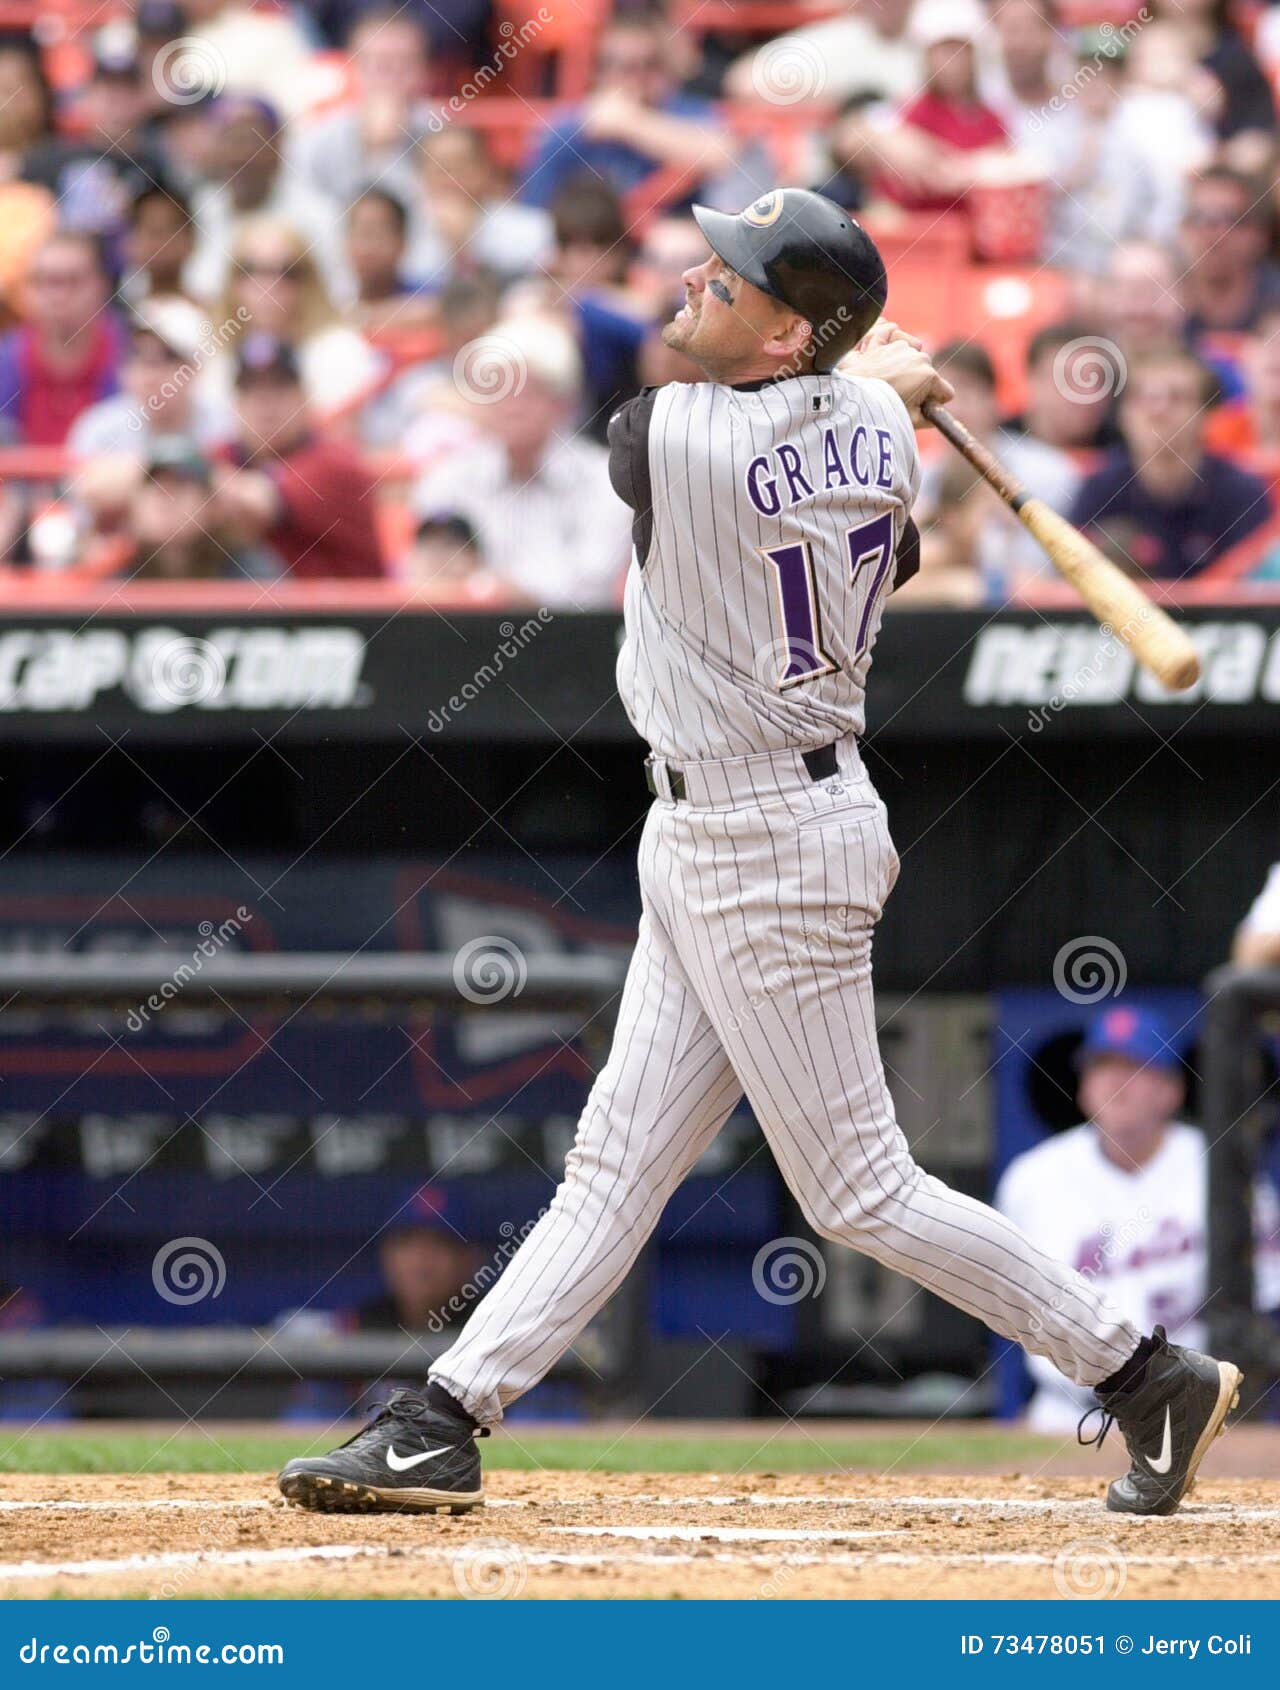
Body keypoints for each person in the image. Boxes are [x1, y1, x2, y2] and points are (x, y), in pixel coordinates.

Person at [278, 188, 1243, 1522]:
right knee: (616, 1158)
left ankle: (1140, 1371)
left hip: (765, 839)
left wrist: (862, 378)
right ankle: (445, 1415)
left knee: (859, 1188)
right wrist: (870, 390)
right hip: (737, 817)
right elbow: (881, 549)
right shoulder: (879, 437)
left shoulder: (676, 436)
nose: (692, 277)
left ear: (790, 331)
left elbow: (644, 411)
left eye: (728, 277)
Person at [997, 1005, 1280, 1433]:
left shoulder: (1221, 1169)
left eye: (1134, 1067)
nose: (1113, 1081)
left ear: (1171, 1091)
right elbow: (1007, 1314)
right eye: (1100, 1067)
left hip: (1198, 1418)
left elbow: (1268, 1301)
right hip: (1068, 1417)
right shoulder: (1032, 1178)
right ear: (1082, 1088)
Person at [410, 313, 632, 608]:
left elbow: (591, 589)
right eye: (499, 391)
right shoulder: (445, 478)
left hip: (574, 644)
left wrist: (501, 590)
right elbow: (429, 581)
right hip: (467, 643)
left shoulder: (605, 479)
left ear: (563, 403)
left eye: (530, 392)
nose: (512, 407)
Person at [1071, 345, 1271, 579]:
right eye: (1142, 398)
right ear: (1123, 415)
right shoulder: (1098, 490)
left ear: (1206, 414)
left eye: (1176, 398)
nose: (1158, 410)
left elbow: (1257, 592)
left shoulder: (1242, 494)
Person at [520, 12, 734, 212]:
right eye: (622, 65)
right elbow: (534, 204)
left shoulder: (684, 110)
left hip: (674, 238)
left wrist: (631, 123)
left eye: (649, 63)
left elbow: (723, 156)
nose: (636, 76)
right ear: (599, 72)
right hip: (591, 238)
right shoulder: (575, 120)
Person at [916, 340, 1080, 601]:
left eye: (965, 393)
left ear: (993, 401)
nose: (955, 409)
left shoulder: (1049, 471)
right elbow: (890, 583)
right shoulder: (915, 476)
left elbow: (1039, 582)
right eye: (938, 399)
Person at [215, 334, 384, 579]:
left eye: (280, 387)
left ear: (304, 398)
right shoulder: (224, 455)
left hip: (350, 615)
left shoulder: (335, 462)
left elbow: (257, 502)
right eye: (251, 389)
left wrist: (197, 481)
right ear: (236, 404)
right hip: (265, 614)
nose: (265, 402)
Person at [835, 0, 1009, 214]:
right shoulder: (908, 109)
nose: (952, 63)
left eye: (960, 51)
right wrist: (884, 141)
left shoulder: (992, 117)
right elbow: (851, 138)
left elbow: (1007, 166)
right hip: (914, 229)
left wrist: (968, 170)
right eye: (943, 51)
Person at [206, 217, 383, 417]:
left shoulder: (340, 350)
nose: (268, 285)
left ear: (308, 282)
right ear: (232, 282)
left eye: (285, 271)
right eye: (251, 269)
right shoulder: (214, 353)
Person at [187, 95, 349, 303]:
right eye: (230, 139)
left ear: (277, 146)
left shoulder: (318, 215)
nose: (240, 155)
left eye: (251, 140)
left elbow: (338, 294)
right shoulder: (199, 209)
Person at [287, 9, 436, 214]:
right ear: (353, 66)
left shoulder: (444, 132)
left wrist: (386, 150)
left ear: (423, 69)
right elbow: (299, 204)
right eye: (381, 64)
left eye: (404, 63)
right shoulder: (318, 135)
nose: (391, 76)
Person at [0, 232, 124, 446]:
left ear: (102, 285)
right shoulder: (7, 357)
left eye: (72, 281)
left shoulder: (132, 352)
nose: (58, 297)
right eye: (45, 282)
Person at [1180, 167, 1280, 341]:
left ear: (1259, 233)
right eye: (1200, 218)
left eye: (1231, 220)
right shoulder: (1164, 310)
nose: (1212, 234)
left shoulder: (1274, 300)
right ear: (1183, 229)